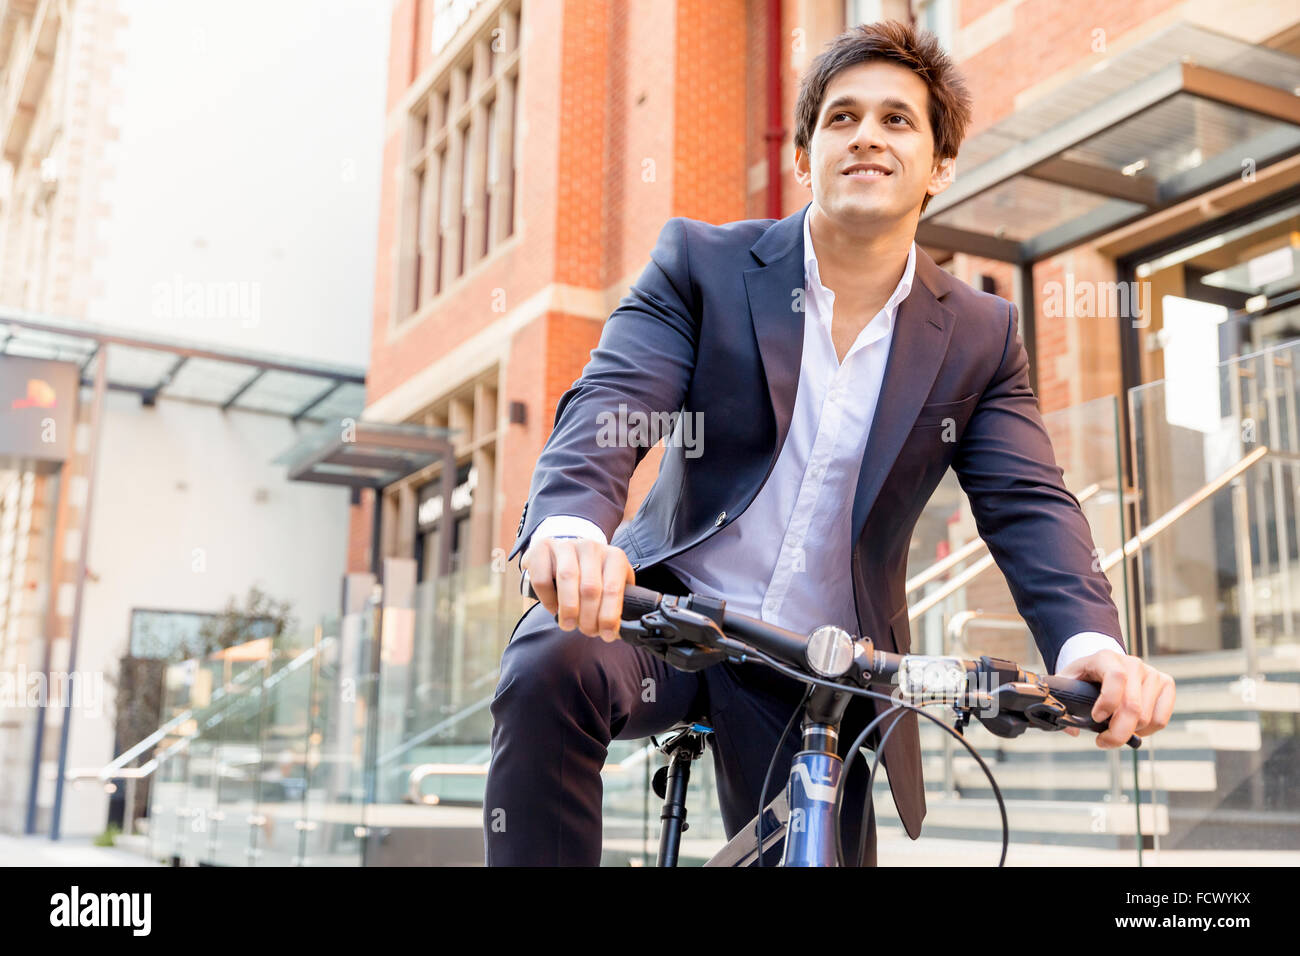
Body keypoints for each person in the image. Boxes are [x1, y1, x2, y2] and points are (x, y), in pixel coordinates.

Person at [483, 19, 1176, 867]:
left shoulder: (981, 336)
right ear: (805, 158)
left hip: (825, 670)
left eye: (897, 120)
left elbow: (1028, 504)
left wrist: (1090, 645)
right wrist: (571, 528)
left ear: (940, 165)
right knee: (554, 662)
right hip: (672, 621)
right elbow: (613, 401)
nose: (868, 137)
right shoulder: (701, 265)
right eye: (842, 118)